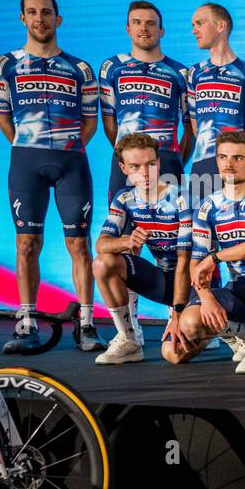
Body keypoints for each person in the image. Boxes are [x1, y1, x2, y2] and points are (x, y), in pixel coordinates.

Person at [0, 0, 101, 352]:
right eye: (32, 12)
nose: (40, 19)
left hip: (71, 161)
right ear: (23, 18)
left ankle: (86, 325)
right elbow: (4, 119)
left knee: (79, 245)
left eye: (46, 12)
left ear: (58, 19)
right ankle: (26, 324)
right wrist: (29, 144)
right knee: (26, 244)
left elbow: (90, 124)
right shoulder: (5, 65)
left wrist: (67, 147)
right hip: (26, 161)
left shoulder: (80, 68)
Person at [163, 131, 245, 372]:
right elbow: (195, 264)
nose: (229, 164)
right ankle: (244, 334)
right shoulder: (207, 206)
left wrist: (215, 257)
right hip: (238, 290)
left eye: (238, 158)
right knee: (173, 350)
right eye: (223, 157)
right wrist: (206, 298)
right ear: (217, 161)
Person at [91, 133, 193, 366]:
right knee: (104, 262)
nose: (145, 173)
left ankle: (223, 331)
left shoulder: (182, 198)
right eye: (135, 166)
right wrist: (126, 241)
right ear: (123, 168)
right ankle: (129, 338)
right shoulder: (125, 199)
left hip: (192, 284)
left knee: (175, 355)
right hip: (162, 281)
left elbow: (186, 261)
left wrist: (177, 312)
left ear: (159, 163)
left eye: (150, 164)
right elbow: (101, 244)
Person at [98, 0, 192, 203]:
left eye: (150, 23)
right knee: (122, 227)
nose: (143, 28)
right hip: (125, 162)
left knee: (175, 229)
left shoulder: (180, 72)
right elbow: (109, 122)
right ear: (128, 28)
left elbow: (190, 127)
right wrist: (127, 154)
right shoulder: (111, 67)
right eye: (137, 22)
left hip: (167, 158)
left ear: (162, 31)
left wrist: (174, 159)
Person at [186, 3, 245, 203]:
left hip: (238, 163)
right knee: (198, 228)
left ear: (220, 26)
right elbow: (195, 125)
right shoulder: (194, 73)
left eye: (199, 23)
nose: (194, 30)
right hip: (203, 163)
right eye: (193, 25)